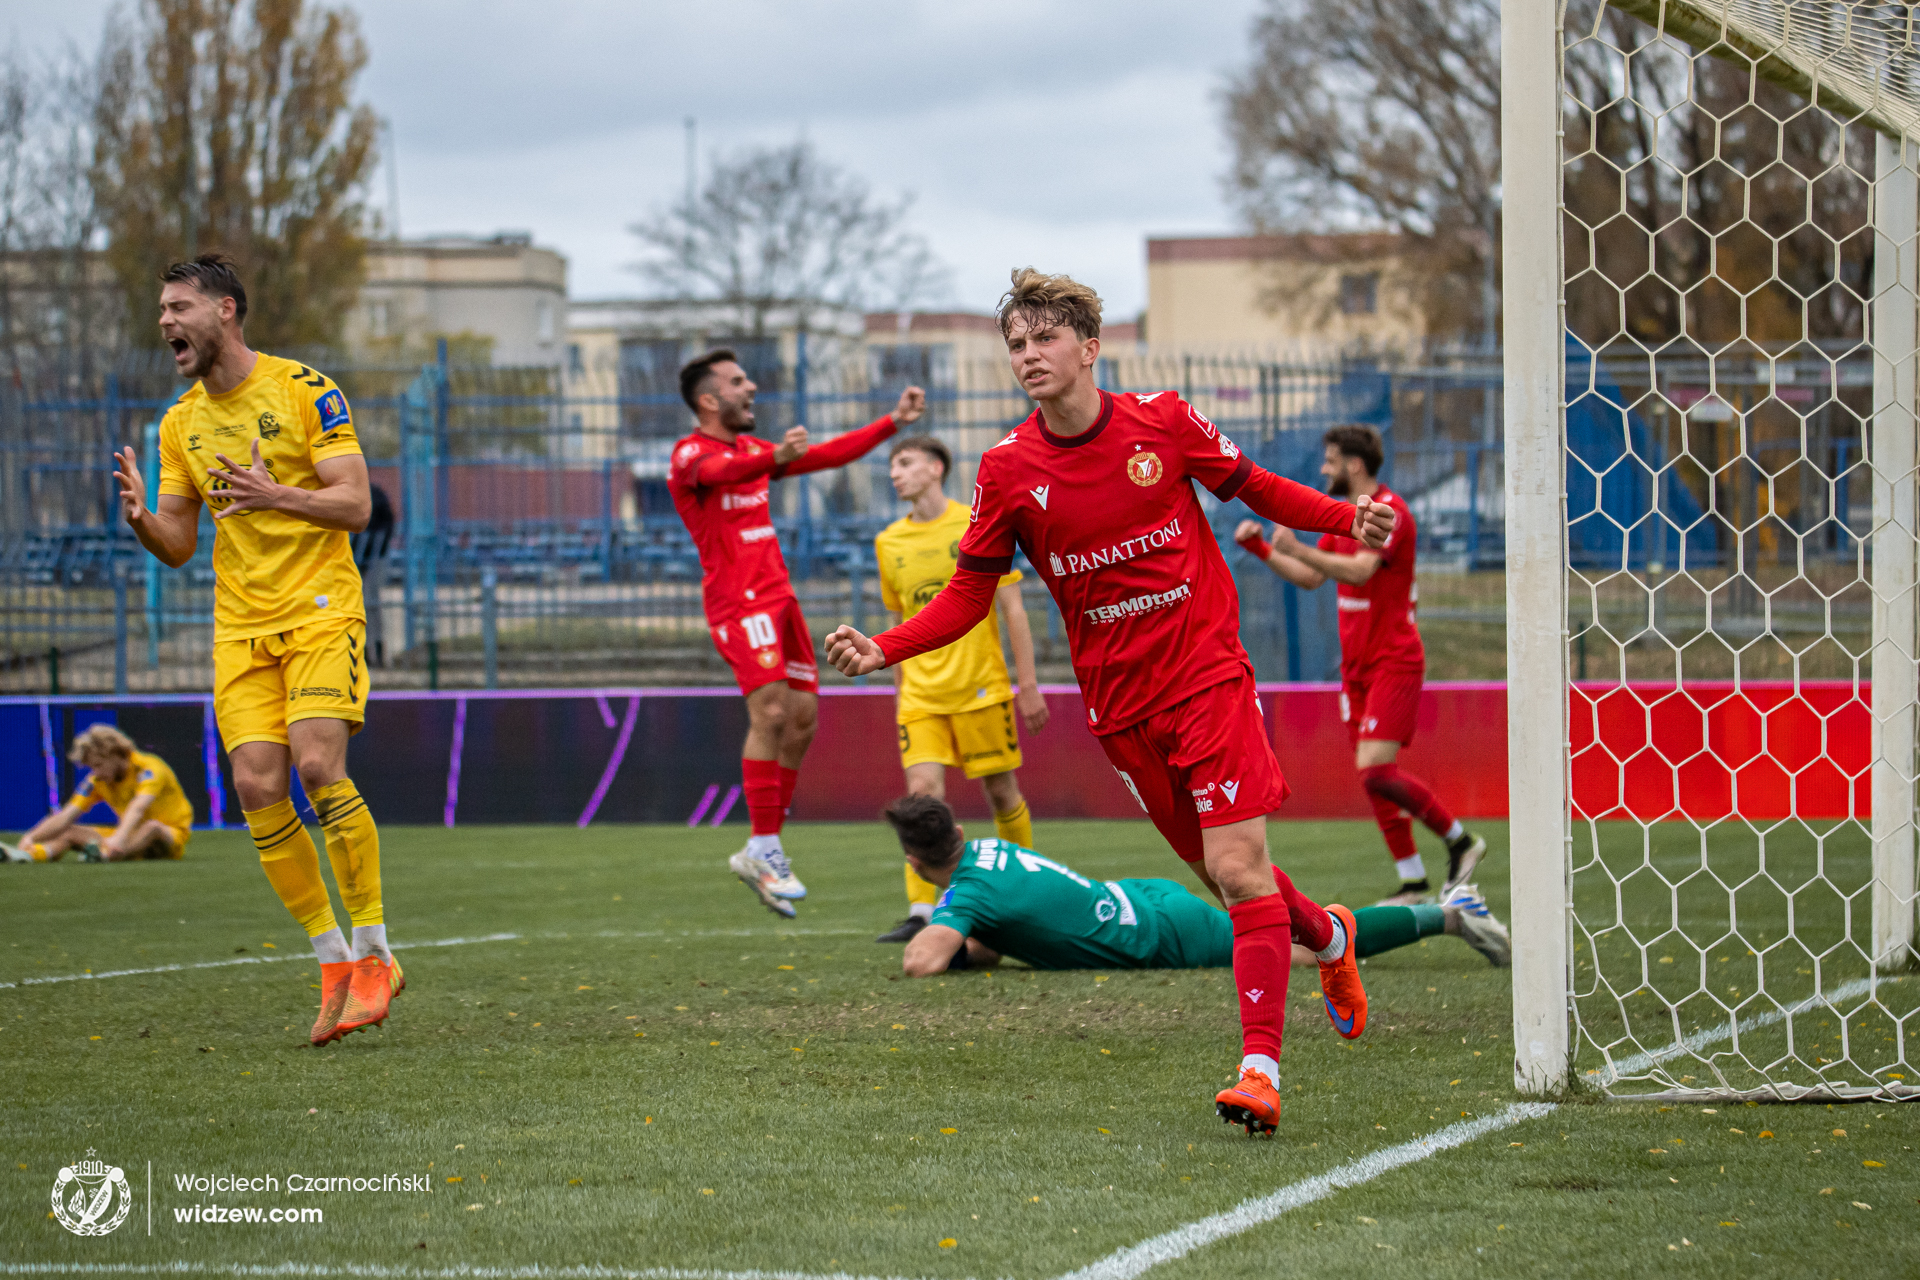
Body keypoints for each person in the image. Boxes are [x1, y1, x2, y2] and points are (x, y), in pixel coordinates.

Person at [825, 268, 1395, 1136]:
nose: (1028, 355)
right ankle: (1330, 938)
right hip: (1123, 711)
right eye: (1016, 343)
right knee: (1223, 878)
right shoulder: (1007, 469)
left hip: (1207, 676)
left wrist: (1345, 519)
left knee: (1241, 869)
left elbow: (1254, 484)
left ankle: (1260, 1071)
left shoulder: (1163, 420)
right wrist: (886, 646)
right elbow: (969, 594)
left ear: (1090, 348)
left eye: (1045, 338)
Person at [109, 253, 400, 1046]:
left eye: (179, 307)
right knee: (256, 785)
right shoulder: (179, 425)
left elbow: (356, 504)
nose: (165, 321)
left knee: (317, 766)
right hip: (240, 627)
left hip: (319, 610)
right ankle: (333, 962)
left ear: (225, 310)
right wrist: (142, 520)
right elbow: (178, 544)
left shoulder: (306, 390)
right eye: (162, 309)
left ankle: (376, 954)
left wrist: (277, 495)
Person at [668, 349, 926, 919]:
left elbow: (829, 454)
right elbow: (718, 473)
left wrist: (893, 422)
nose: (751, 387)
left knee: (803, 718)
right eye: (738, 381)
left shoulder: (753, 452)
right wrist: (773, 458)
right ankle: (764, 845)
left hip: (780, 599)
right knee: (771, 713)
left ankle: (765, 847)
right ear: (708, 400)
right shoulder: (690, 454)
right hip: (739, 603)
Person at [1233, 424, 1486, 905]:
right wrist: (1262, 550)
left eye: (1330, 461)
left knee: (1374, 769)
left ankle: (1460, 841)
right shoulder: (1348, 519)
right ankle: (1413, 882)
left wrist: (1296, 546)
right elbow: (1311, 577)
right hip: (1356, 667)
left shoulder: (1390, 513)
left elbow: (1359, 571)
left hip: (1394, 659)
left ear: (1353, 464)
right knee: (1373, 776)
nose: (1323, 469)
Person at [881, 793, 1510, 979]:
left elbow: (921, 962)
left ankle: (1449, 914)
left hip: (1160, 932)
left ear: (914, 859)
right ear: (957, 830)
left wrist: (943, 932)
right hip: (1145, 900)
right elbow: (993, 941)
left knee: (1305, 946)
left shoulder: (967, 893)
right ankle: (1446, 913)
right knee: (1294, 931)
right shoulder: (987, 852)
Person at [872, 434, 1049, 943]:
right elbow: (897, 621)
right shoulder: (888, 542)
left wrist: (1027, 684)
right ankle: (921, 912)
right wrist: (901, 693)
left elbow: (1012, 608)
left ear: (936, 468)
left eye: (905, 463)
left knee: (1001, 792)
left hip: (980, 688)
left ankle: (1024, 893)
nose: (894, 473)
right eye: (892, 465)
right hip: (920, 696)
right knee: (920, 796)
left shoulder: (976, 524)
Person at [2, 725, 194, 863]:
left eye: (99, 765)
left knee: (152, 827)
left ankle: (107, 854)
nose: (96, 772)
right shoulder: (98, 780)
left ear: (115, 754)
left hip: (169, 837)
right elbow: (67, 815)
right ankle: (28, 855)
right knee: (69, 831)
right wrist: (31, 837)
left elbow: (138, 807)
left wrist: (118, 839)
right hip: (126, 837)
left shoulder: (149, 768)